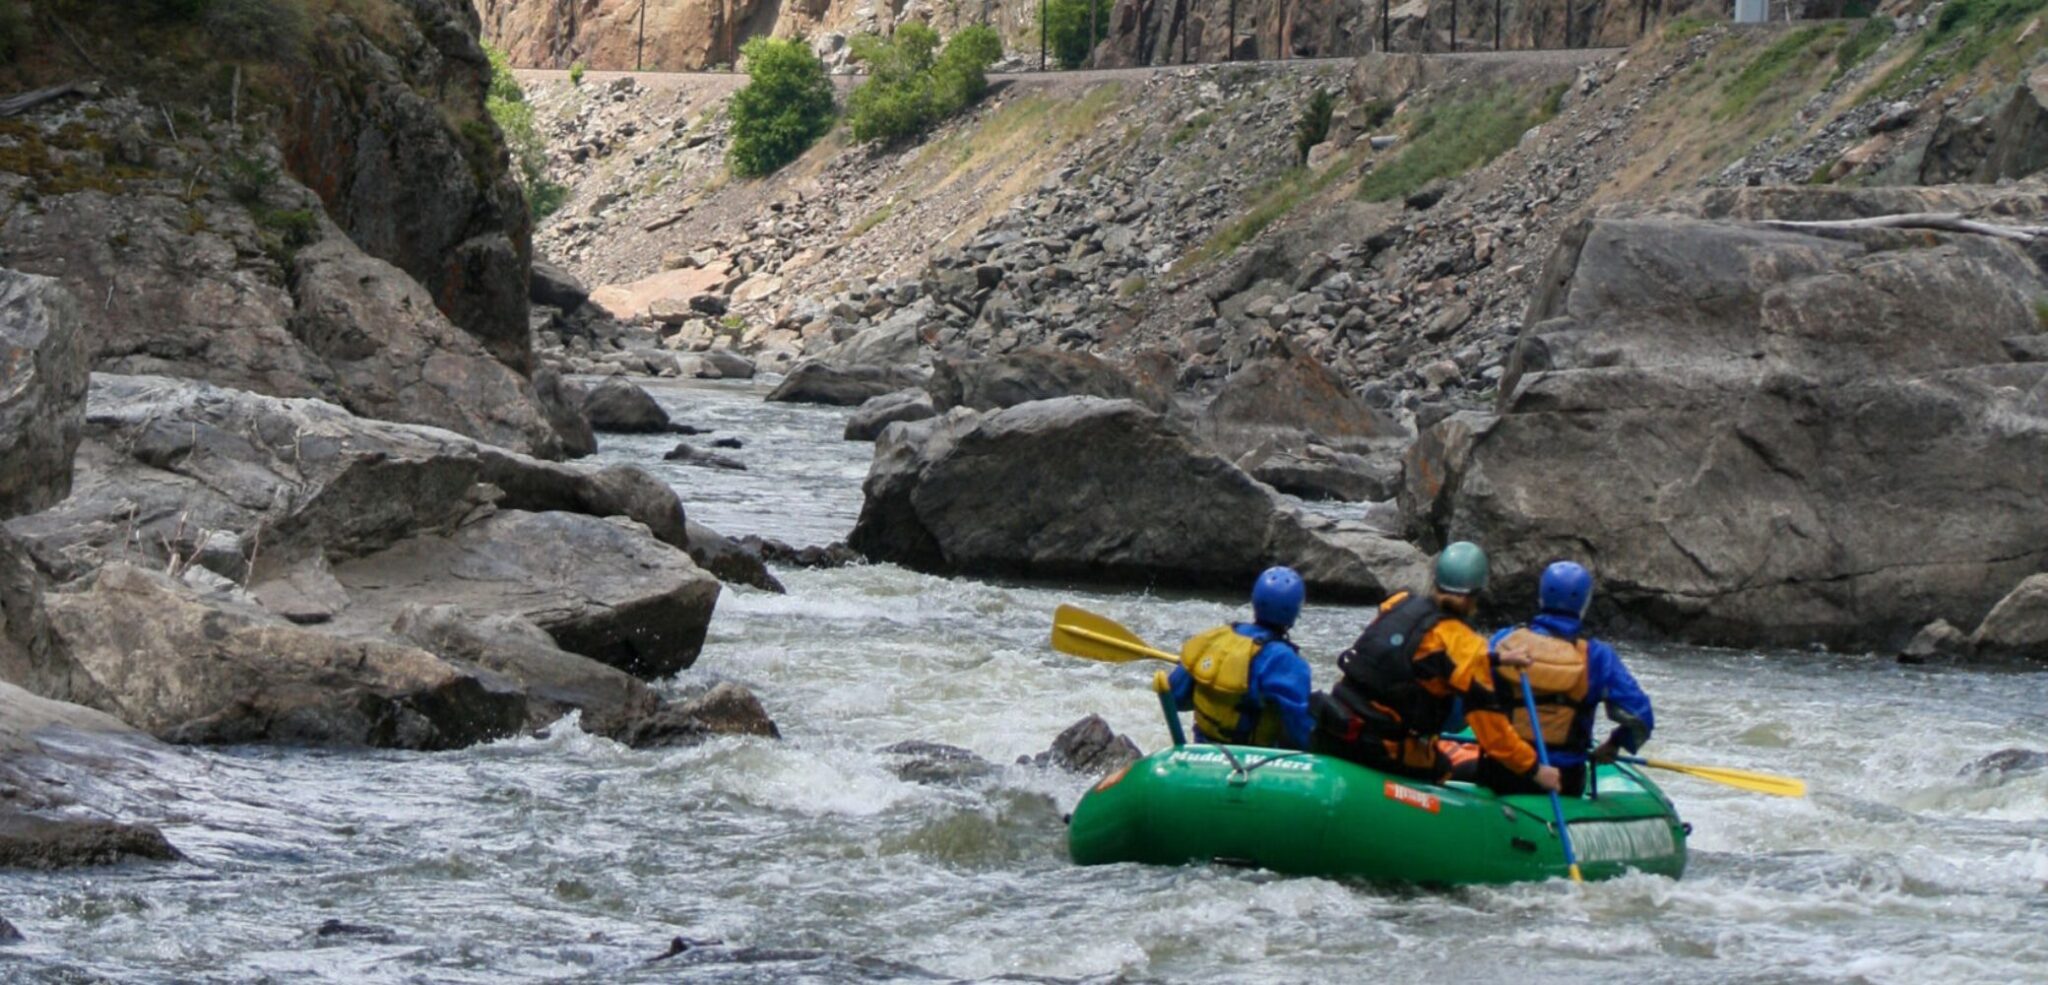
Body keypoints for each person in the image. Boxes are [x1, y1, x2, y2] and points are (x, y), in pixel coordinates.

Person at [1309, 542, 1557, 792]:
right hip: (1380, 745)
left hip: (1336, 721)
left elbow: (1414, 652)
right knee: (1443, 767)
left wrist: (1495, 659)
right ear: (1475, 595)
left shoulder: (1398, 603)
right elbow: (1492, 733)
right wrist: (1535, 770)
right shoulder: (1466, 646)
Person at [1483, 560, 1655, 797]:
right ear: (1584, 604)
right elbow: (1641, 717)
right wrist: (1615, 743)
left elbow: (1469, 690)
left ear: (1541, 598)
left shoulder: (1504, 641)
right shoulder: (1597, 656)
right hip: (1565, 779)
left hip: (1501, 771)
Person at [1167, 566, 1314, 750]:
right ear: (1296, 611)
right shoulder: (1287, 663)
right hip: (1255, 758)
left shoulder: (1214, 639)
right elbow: (1301, 731)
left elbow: (1175, 698)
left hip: (1202, 750)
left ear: (1254, 600)